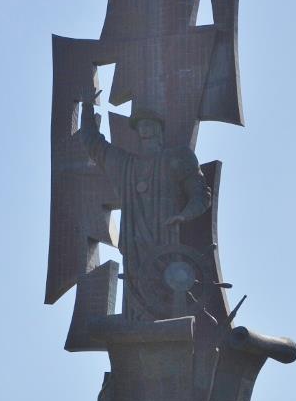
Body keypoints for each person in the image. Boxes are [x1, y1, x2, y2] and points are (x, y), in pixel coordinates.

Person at [80, 101, 211, 320]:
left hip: (165, 240)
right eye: (140, 125)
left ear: (160, 128)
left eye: (149, 124)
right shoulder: (125, 164)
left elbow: (201, 195)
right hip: (134, 245)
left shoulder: (178, 158)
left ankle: (166, 324)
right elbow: (94, 144)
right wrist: (87, 109)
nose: (145, 129)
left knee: (167, 289)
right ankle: (136, 324)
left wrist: (184, 215)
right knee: (136, 296)